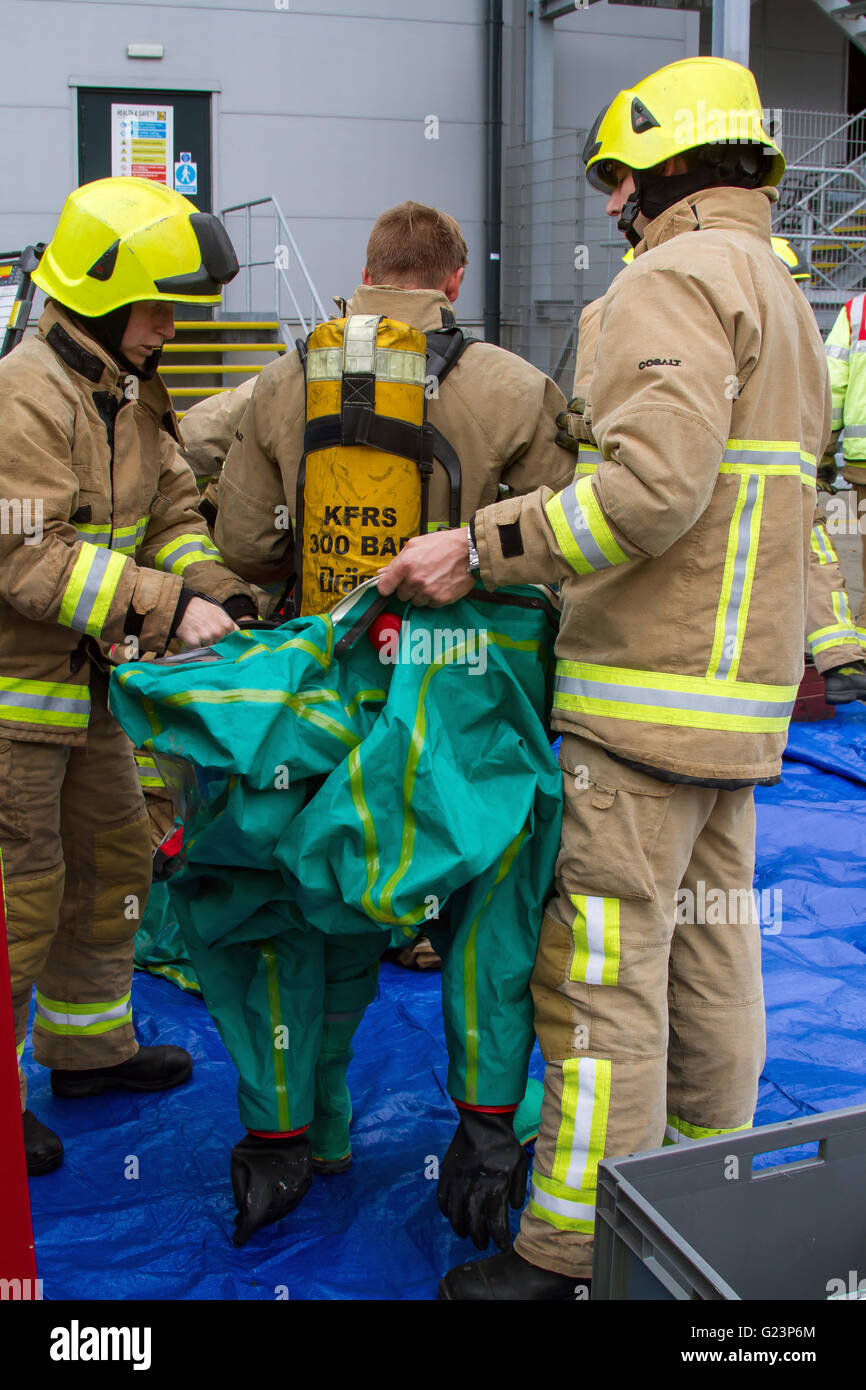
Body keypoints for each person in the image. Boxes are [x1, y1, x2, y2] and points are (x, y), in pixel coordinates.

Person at [378, 57, 831, 1299]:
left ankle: (574, 1249)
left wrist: (480, 548)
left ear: (667, 168)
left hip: (638, 701)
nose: (613, 206)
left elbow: (648, 492)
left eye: (619, 180)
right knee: (710, 953)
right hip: (735, 708)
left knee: (598, 986)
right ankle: (698, 1198)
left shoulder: (667, 282)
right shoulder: (779, 290)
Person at [212, 199, 575, 1242]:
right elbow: (564, 546)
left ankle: (295, 1137)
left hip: (331, 690)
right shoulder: (515, 387)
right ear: (452, 280)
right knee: (490, 914)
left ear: (366, 270)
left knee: (300, 912)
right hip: (470, 700)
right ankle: (487, 1135)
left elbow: (245, 547)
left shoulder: (285, 382)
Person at [0, 176, 257, 1175]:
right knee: (19, 899)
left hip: (90, 697)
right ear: (103, 297)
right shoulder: (26, 393)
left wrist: (217, 591)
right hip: (16, 707)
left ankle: (87, 1047)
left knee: (114, 866)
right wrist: (163, 605)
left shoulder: (129, 393)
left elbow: (173, 515)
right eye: (157, 307)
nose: (170, 327)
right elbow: (26, 553)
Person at [569, 247, 866, 705]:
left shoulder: (661, 302)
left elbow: (589, 410)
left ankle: (837, 655)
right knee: (793, 544)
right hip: (715, 472)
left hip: (694, 474)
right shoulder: (765, 313)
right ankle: (838, 655)